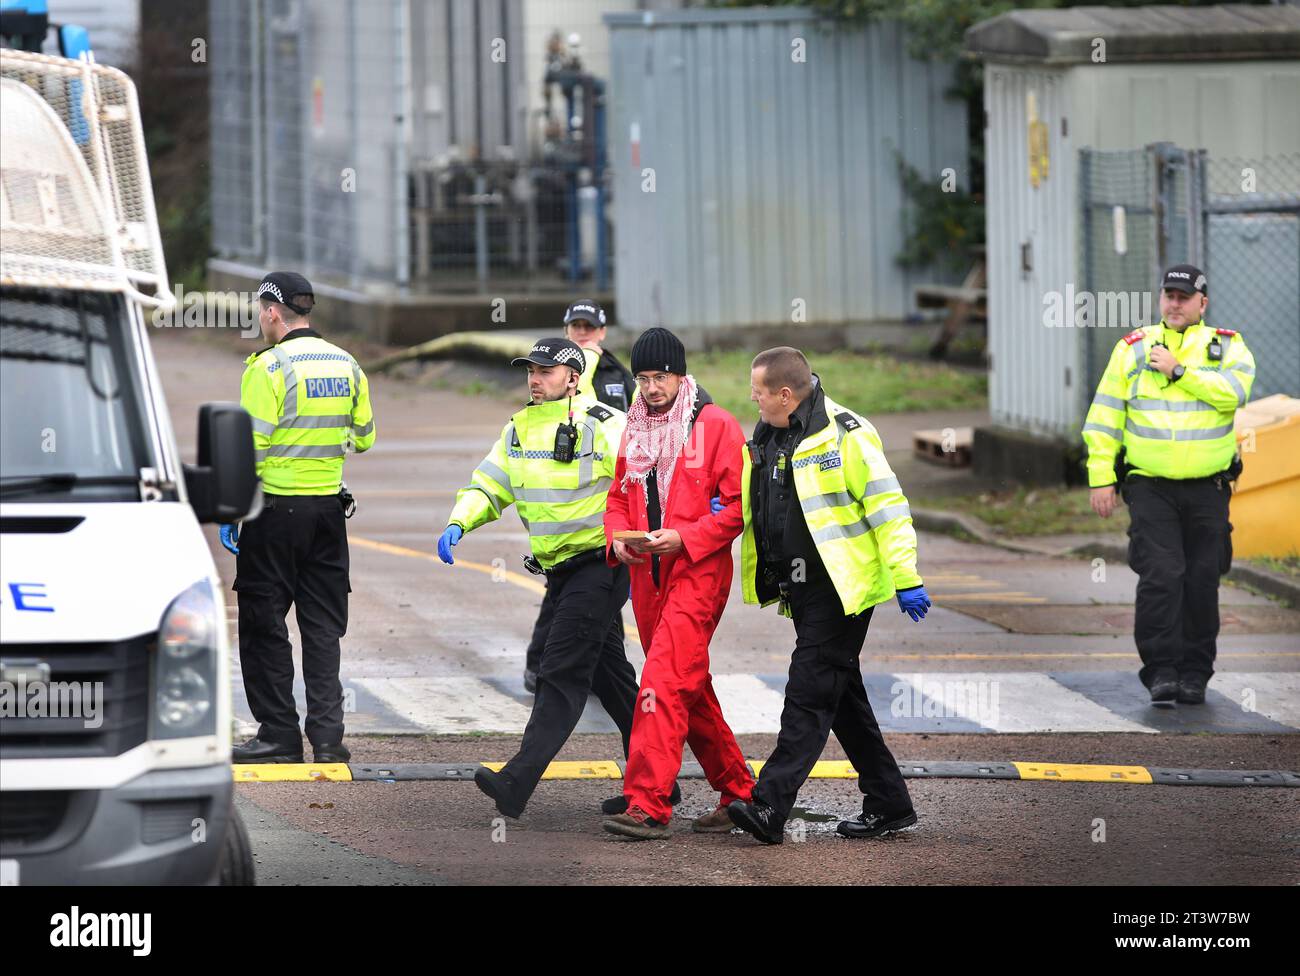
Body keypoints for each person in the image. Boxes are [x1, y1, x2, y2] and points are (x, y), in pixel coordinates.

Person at [726, 347, 929, 845]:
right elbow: (767, 497)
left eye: (758, 394)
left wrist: (906, 576)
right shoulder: (769, 432)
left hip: (843, 589)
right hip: (801, 588)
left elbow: (888, 507)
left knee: (809, 692)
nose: (752, 401)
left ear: (786, 394)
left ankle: (770, 806)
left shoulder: (847, 434)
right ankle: (890, 803)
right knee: (841, 699)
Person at [438, 338, 639, 818]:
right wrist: (460, 519)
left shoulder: (605, 423)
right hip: (562, 572)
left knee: (561, 673)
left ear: (573, 378)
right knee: (613, 681)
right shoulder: (520, 427)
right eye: (531, 370)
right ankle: (657, 781)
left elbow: (641, 479)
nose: (534, 379)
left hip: (600, 565)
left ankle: (516, 780)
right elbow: (490, 482)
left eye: (546, 371)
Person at [600, 328, 755, 840]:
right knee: (689, 689)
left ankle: (648, 804)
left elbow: (737, 508)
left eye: (660, 376)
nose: (650, 387)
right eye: (643, 378)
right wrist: (617, 538)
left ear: (680, 375)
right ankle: (741, 794)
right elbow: (619, 494)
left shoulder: (717, 426)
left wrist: (684, 539)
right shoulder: (635, 427)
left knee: (661, 684)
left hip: (697, 573)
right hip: (647, 577)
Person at [220, 271, 376, 764]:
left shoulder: (267, 368)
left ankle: (278, 736)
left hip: (274, 514)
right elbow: (365, 436)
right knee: (323, 626)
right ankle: (329, 739)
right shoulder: (347, 363)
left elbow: (251, 449)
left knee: (265, 624)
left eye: (258, 313)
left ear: (272, 312)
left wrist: (234, 508)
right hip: (329, 513)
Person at [1083, 265, 1254, 706]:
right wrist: (1101, 477)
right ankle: (1161, 671)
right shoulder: (1133, 349)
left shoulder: (1227, 347)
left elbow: (1233, 395)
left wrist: (1180, 372)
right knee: (1162, 575)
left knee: (1201, 579)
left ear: (1202, 303)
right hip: (1149, 485)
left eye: (1183, 297)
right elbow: (1104, 418)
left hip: (1209, 486)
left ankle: (1195, 673)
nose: (1174, 303)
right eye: (1168, 295)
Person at [522, 300, 635, 693]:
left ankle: (568, 674)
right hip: (569, 511)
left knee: (591, 606)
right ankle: (542, 668)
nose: (583, 331)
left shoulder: (619, 375)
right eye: (576, 326)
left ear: (602, 332)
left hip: (606, 512)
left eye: (590, 326)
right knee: (569, 600)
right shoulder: (560, 375)